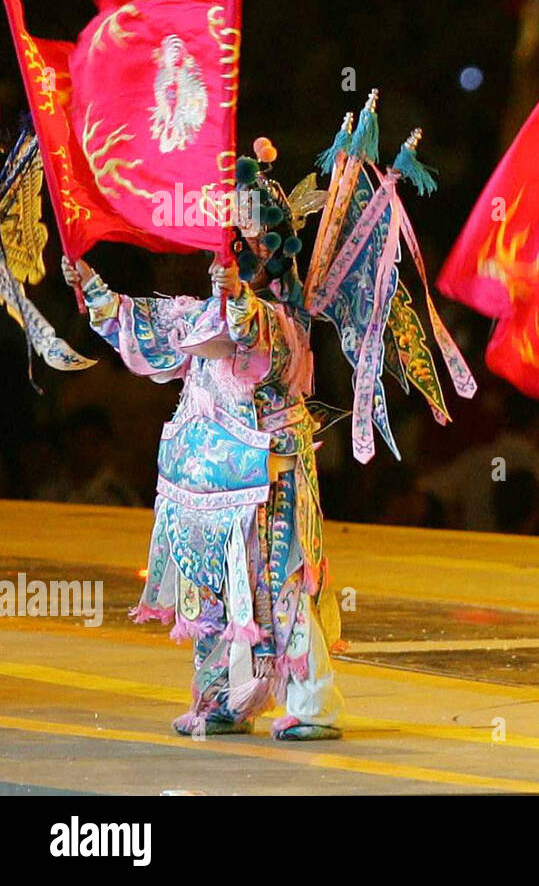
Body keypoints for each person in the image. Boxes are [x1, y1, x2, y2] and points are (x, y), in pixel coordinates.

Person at [61, 144, 343, 741]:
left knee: (277, 587)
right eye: (236, 240)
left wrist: (237, 296)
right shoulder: (199, 313)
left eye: (253, 242)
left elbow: (253, 343)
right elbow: (145, 330)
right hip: (205, 482)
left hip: (266, 474)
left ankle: (312, 704)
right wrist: (93, 287)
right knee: (208, 587)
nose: (243, 250)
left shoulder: (283, 321)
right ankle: (222, 700)